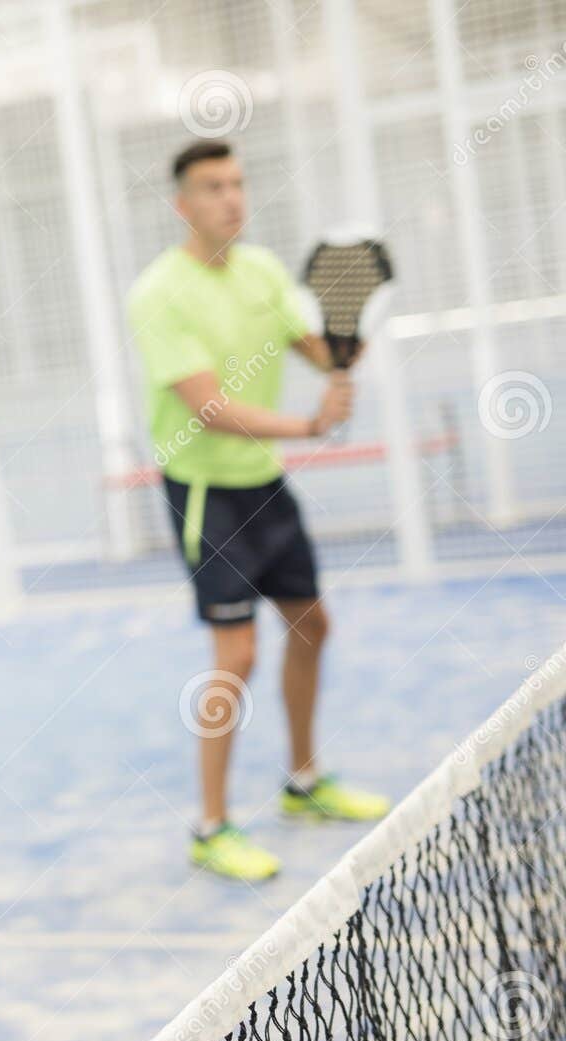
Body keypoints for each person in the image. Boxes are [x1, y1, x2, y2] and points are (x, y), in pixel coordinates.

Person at [126, 141, 388, 882]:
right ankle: (211, 828)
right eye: (213, 187)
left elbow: (319, 349)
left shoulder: (264, 271)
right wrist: (309, 424)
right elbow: (208, 407)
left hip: (264, 483)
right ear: (183, 204)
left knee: (312, 625)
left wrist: (345, 342)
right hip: (205, 492)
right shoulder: (159, 293)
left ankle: (303, 782)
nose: (231, 198)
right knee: (236, 654)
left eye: (238, 183)